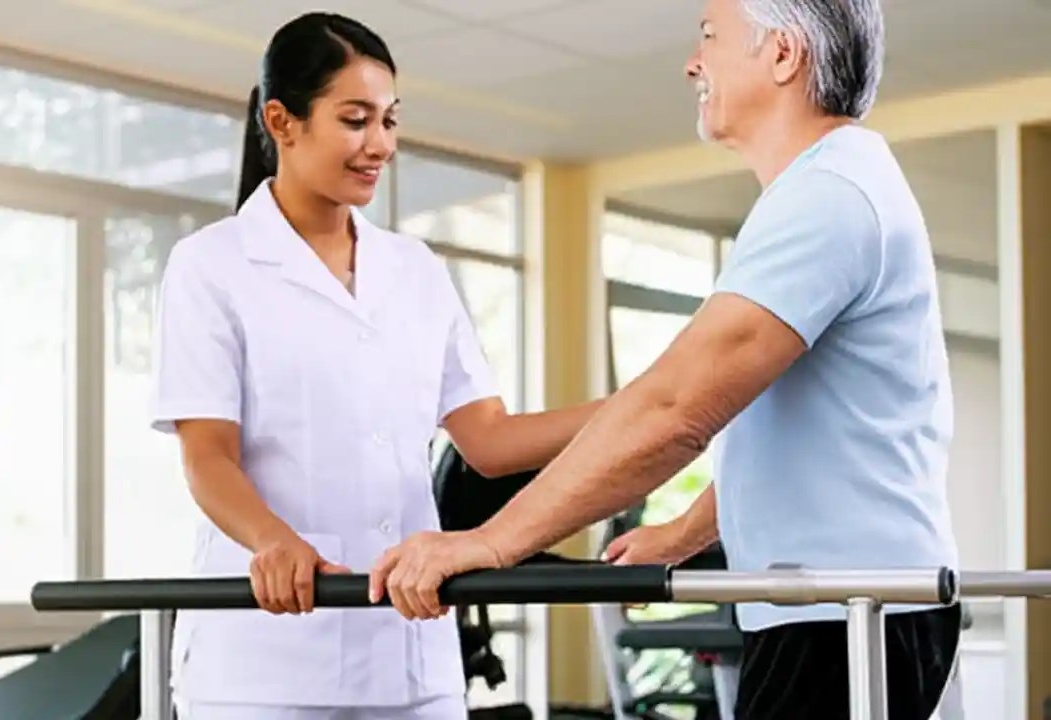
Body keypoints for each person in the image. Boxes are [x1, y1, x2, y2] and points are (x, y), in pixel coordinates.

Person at [366, 1, 963, 718]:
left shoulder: (827, 197)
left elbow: (678, 407)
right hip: (837, 604)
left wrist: (490, 544)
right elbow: (805, 424)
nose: (692, 63)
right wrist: (686, 533)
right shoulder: (832, 186)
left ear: (784, 55)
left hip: (846, 611)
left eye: (710, 38)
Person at [148, 12, 604, 720]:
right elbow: (207, 455)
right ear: (282, 120)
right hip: (268, 664)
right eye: (355, 120)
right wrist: (272, 542)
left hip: (411, 660)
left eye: (390, 121)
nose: (380, 145)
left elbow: (488, 440)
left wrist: (636, 407)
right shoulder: (212, 265)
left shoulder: (414, 269)